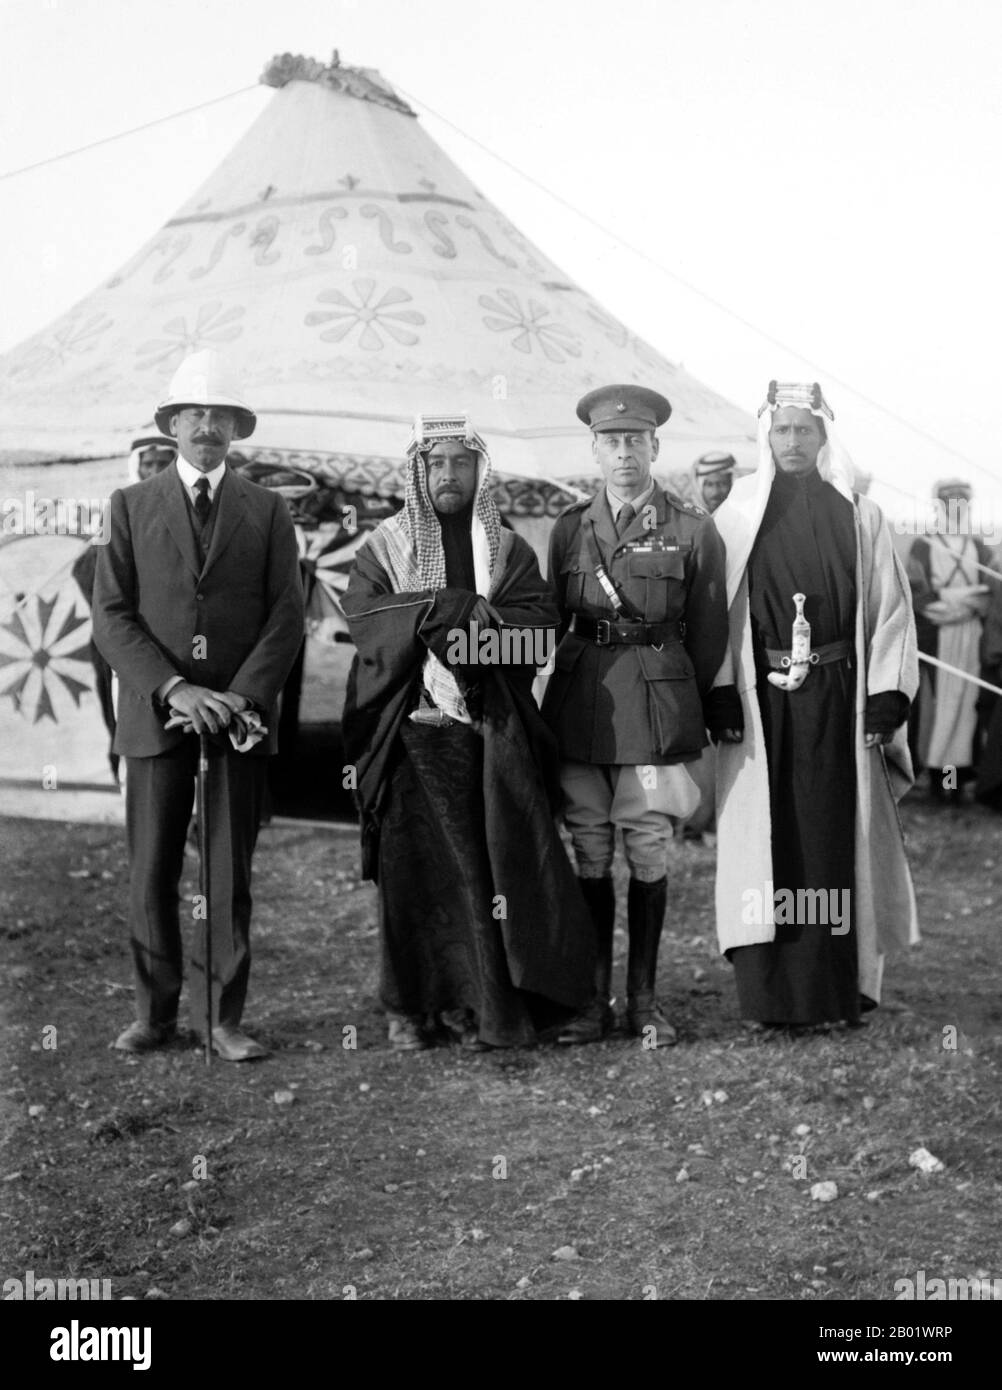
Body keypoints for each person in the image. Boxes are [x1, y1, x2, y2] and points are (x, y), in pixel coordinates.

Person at [341, 413, 595, 1052]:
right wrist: (444, 608)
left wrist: (471, 631)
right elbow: (368, 627)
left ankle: (489, 1006)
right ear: (417, 472)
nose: (448, 474)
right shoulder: (381, 548)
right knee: (411, 876)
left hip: (491, 731)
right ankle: (411, 1008)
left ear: (481, 470)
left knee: (495, 867)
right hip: (408, 734)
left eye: (461, 462)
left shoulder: (509, 550)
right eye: (435, 463)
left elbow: (539, 635)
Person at [93, 350, 304, 1060]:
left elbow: (286, 615)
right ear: (173, 424)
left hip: (237, 723)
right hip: (159, 715)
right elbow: (112, 616)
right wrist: (176, 688)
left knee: (227, 871)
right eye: (195, 414)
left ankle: (222, 1017)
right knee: (152, 868)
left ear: (236, 429)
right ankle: (154, 1015)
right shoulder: (130, 505)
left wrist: (239, 698)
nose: (207, 427)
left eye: (220, 416)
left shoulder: (268, 510)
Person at [713, 380, 919, 1027]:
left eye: (805, 429)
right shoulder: (736, 519)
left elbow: (891, 609)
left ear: (824, 435)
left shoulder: (859, 516)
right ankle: (771, 997)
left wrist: (887, 692)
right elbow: (715, 616)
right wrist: (720, 687)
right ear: (765, 437)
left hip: (837, 701)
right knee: (766, 843)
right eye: (783, 430)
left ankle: (834, 991)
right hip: (762, 711)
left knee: (830, 837)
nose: (793, 440)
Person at [542, 385, 737, 1046]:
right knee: (590, 845)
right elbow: (552, 618)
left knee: (648, 845)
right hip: (582, 703)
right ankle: (593, 1002)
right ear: (595, 450)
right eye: (612, 442)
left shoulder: (689, 528)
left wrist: (707, 706)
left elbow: (708, 628)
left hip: (655, 707)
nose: (624, 452)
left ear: (656, 447)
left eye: (636, 441)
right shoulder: (570, 528)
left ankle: (645, 1003)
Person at [72, 433, 177, 783]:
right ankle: (131, 797)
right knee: (124, 719)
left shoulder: (188, 509)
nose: (156, 471)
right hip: (120, 640)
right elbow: (86, 572)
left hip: (171, 641)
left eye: (164, 464)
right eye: (149, 464)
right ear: (137, 467)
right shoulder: (118, 510)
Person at [906, 479, 991, 802]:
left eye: (962, 503)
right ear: (939, 506)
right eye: (949, 502)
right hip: (935, 638)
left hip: (970, 638)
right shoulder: (924, 545)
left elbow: (987, 594)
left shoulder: (978, 546)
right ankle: (933, 784)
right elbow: (918, 595)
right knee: (937, 711)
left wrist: (959, 603)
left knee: (963, 711)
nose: (957, 508)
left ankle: (954, 785)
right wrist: (955, 603)